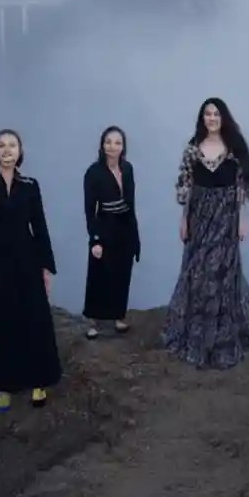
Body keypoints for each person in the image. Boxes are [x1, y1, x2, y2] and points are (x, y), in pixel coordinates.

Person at [161, 97, 249, 369]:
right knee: (199, 270)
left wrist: (242, 219)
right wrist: (184, 220)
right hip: (200, 215)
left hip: (227, 215)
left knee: (223, 271)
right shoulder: (193, 148)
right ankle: (198, 332)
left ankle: (223, 336)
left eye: (216, 113)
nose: (212, 118)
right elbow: (186, 185)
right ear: (202, 118)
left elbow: (241, 186)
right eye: (207, 114)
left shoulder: (235, 148)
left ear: (223, 117)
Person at [0, 129, 61, 412]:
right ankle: (4, 385)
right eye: (1, 145)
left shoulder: (31, 185)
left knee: (34, 317)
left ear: (20, 151)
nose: (7, 150)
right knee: (0, 320)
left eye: (12, 145)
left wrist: (47, 266)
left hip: (27, 256)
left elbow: (40, 227)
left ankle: (38, 382)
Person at [82, 125, 142, 340]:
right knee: (99, 273)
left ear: (123, 146)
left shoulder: (128, 169)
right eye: (108, 142)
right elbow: (90, 209)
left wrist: (135, 237)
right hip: (104, 223)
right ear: (102, 145)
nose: (112, 146)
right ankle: (93, 320)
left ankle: (118, 316)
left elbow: (131, 204)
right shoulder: (93, 172)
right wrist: (95, 240)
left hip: (125, 225)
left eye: (117, 142)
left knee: (122, 272)